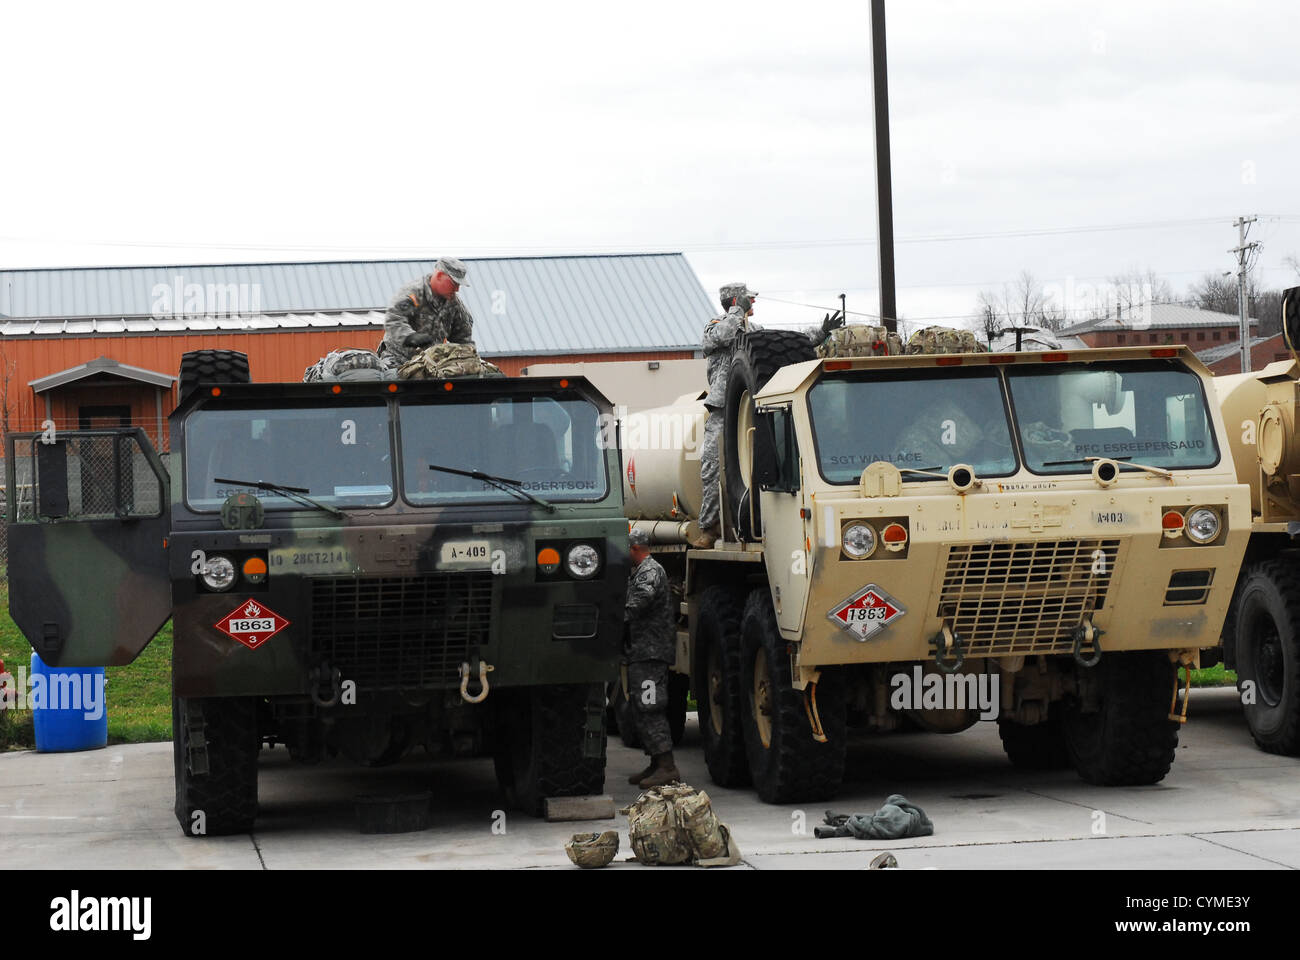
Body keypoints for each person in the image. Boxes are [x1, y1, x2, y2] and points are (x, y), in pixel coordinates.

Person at [691, 282, 843, 548]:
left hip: (750, 405)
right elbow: (717, 339)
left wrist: (821, 332)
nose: (753, 304)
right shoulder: (716, 325)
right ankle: (710, 528)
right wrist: (737, 312)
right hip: (723, 409)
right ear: (736, 301)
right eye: (748, 300)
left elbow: (787, 341)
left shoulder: (755, 331)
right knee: (712, 466)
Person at [624, 527, 680, 789]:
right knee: (641, 706)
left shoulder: (650, 571)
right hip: (642, 652)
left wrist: (613, 615)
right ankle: (656, 762)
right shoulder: (641, 571)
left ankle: (667, 767)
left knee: (651, 706)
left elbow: (638, 602)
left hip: (651, 652)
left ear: (635, 549)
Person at [377, 256, 475, 370]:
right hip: (397, 360)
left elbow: (462, 337)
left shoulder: (454, 304)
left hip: (429, 363)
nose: (457, 289)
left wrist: (468, 357)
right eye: (454, 283)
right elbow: (394, 319)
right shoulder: (414, 293)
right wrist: (410, 337)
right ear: (439, 276)